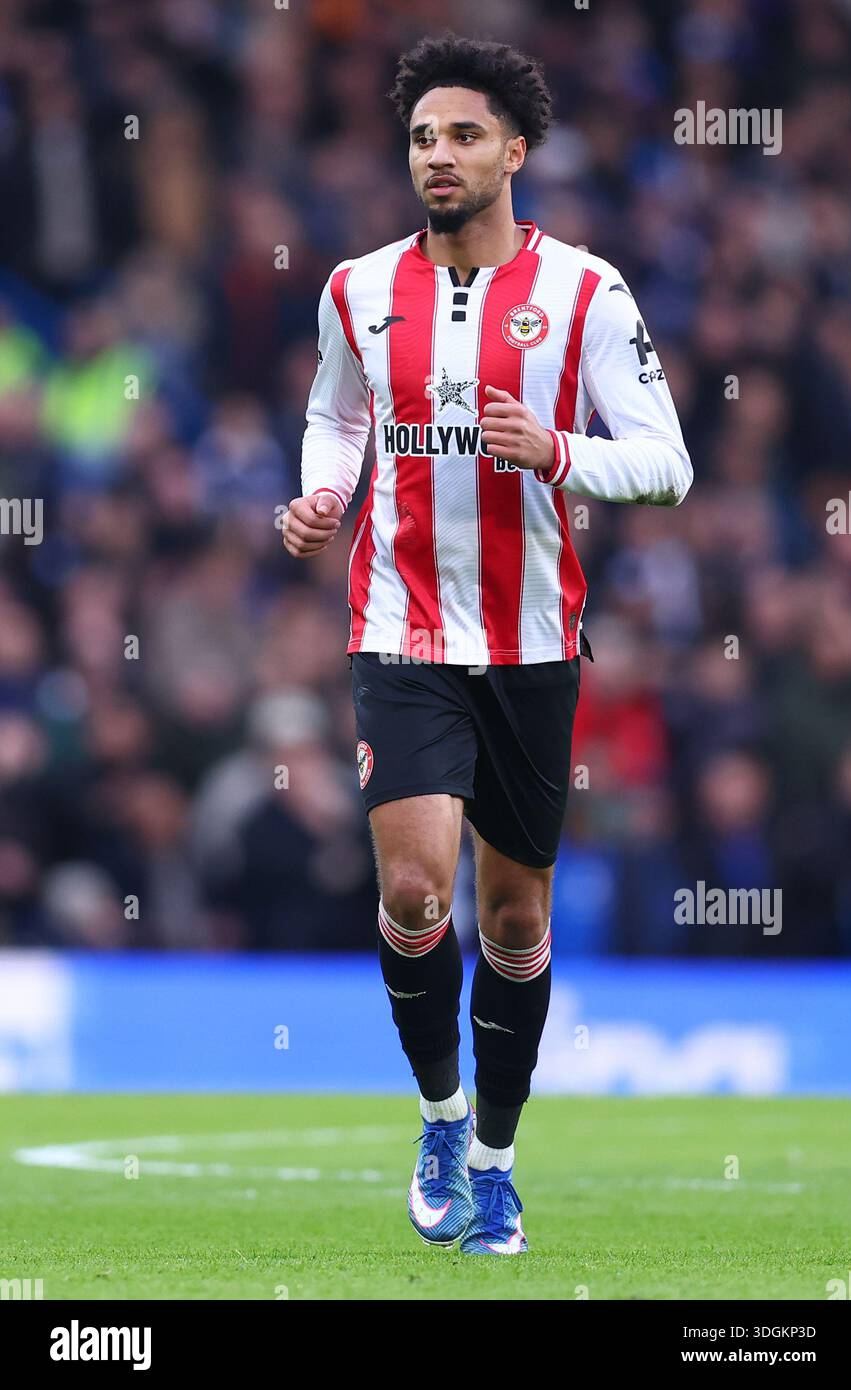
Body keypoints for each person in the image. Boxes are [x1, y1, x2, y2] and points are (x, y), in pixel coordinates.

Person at [282, 31, 692, 1255]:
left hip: (529, 642)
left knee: (512, 922)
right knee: (413, 890)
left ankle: (499, 1162)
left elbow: (668, 463)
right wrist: (325, 493)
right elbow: (331, 411)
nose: (438, 156)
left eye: (462, 135)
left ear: (514, 150)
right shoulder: (356, 288)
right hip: (399, 627)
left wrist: (557, 452)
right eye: (421, 138)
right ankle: (439, 1116)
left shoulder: (585, 292)